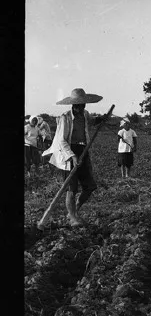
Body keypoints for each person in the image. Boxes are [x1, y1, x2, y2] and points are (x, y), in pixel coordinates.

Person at [43, 87, 104, 226]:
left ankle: (75, 209)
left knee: (89, 187)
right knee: (72, 188)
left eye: (82, 105)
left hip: (83, 149)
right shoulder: (65, 118)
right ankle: (72, 216)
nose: (80, 108)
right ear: (73, 105)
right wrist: (72, 156)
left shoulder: (85, 114)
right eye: (77, 106)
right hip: (67, 152)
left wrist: (101, 119)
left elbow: (92, 121)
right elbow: (61, 141)